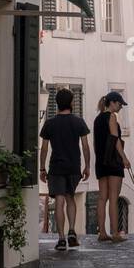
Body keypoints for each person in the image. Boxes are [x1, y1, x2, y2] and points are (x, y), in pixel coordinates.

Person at [40, 89, 91, 252]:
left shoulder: (49, 123)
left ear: (56, 104)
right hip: (73, 166)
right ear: (71, 103)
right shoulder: (79, 122)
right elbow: (85, 146)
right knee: (70, 199)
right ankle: (71, 231)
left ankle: (61, 238)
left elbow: (44, 148)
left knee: (59, 201)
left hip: (56, 167)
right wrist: (87, 166)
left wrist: (42, 168)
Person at [93, 92, 130, 243]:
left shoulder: (97, 119)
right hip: (113, 162)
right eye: (120, 104)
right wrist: (124, 158)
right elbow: (115, 139)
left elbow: (96, 143)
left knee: (102, 197)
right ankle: (115, 233)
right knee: (114, 197)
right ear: (113, 103)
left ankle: (102, 232)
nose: (121, 107)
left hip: (101, 162)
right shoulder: (111, 117)